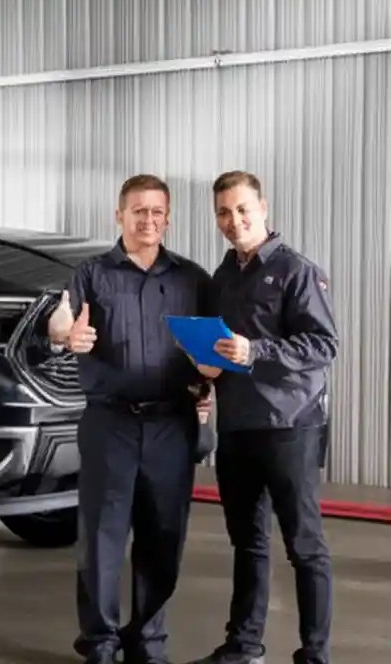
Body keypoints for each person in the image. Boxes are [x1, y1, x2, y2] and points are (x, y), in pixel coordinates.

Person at [48, 174, 215, 664]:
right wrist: (65, 337)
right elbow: (60, 321)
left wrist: (209, 388)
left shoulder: (193, 279)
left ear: (168, 218)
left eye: (156, 211)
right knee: (102, 539)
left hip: (172, 424)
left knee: (163, 536)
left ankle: (147, 642)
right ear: (118, 215)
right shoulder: (91, 275)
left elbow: (214, 350)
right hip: (110, 425)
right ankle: (100, 644)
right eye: (137, 210)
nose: (148, 219)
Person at [188, 171, 338, 664]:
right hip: (238, 427)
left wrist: (257, 350)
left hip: (290, 426)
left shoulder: (296, 271)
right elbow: (217, 346)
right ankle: (244, 645)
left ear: (263, 207)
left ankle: (315, 655)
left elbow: (323, 344)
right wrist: (204, 379)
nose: (234, 221)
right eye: (224, 213)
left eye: (242, 209)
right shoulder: (223, 276)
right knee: (248, 543)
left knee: (304, 545)